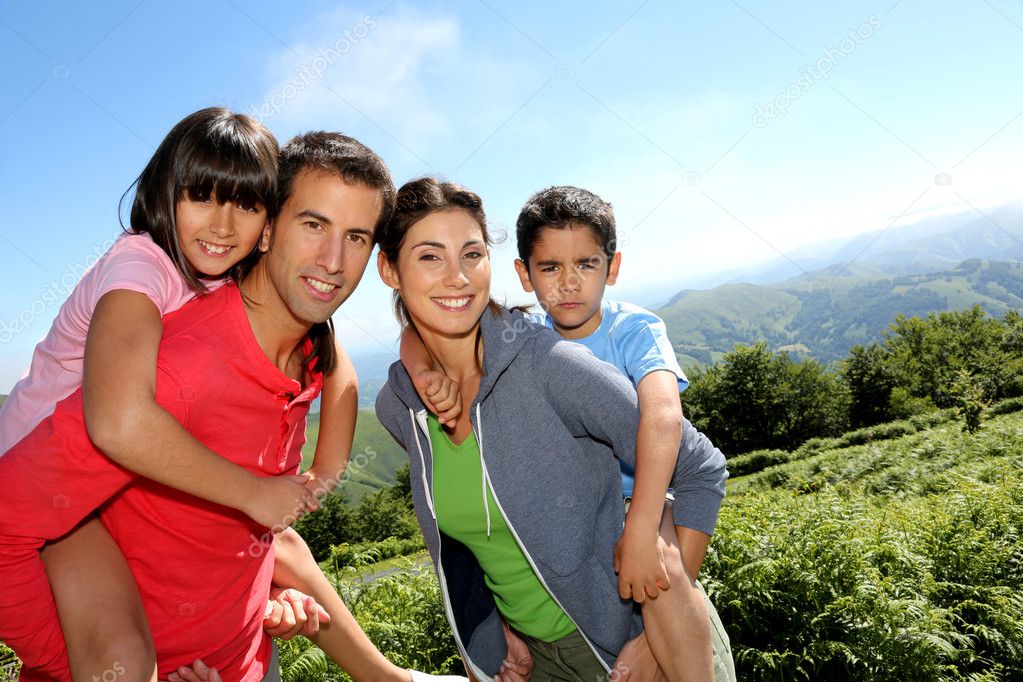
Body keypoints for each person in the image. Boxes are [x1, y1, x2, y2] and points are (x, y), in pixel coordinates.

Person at [0, 132, 463, 681]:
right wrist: (78, 667)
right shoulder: (167, 376)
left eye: (356, 236)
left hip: (251, 662)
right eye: (313, 225)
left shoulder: (312, 352)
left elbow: (331, 382)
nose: (333, 260)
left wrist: (269, 573)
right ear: (267, 231)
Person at [375, 177, 728, 681]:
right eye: (430, 257)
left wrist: (652, 633)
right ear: (390, 269)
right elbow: (470, 541)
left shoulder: (551, 364)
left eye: (472, 254)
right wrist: (494, 631)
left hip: (633, 653)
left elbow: (698, 467)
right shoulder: (401, 405)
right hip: (531, 666)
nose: (457, 276)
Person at [512, 186, 736, 680]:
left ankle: (653, 647)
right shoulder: (523, 342)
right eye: (549, 267)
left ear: (611, 268)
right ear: (524, 275)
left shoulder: (632, 329)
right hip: (582, 518)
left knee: (661, 560)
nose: (568, 283)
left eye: (586, 264)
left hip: (650, 499)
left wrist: (640, 525)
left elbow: (662, 415)